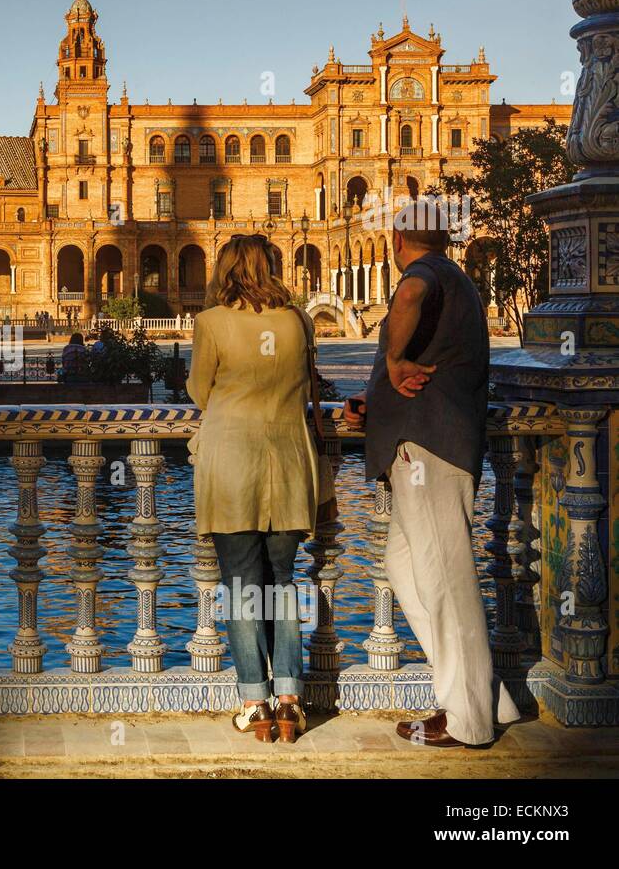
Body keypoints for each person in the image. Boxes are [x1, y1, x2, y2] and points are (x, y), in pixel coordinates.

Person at [345, 200, 520, 748]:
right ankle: (487, 696)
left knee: (447, 581)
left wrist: (393, 360)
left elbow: (410, 298)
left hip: (430, 452)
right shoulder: (453, 278)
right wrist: (375, 402)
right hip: (423, 445)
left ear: (399, 242)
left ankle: (469, 721)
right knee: (407, 570)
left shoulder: (425, 276)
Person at [186, 235, 318, 744]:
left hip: (232, 469)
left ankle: (255, 705)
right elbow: (307, 388)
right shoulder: (298, 321)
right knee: (282, 583)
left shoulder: (212, 323)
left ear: (225, 271)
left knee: (241, 588)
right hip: (288, 464)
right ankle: (290, 703)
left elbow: (200, 390)